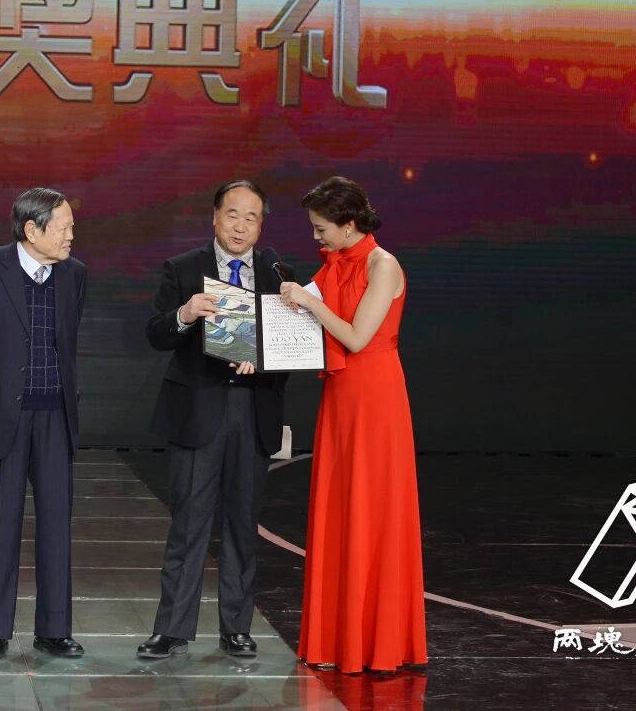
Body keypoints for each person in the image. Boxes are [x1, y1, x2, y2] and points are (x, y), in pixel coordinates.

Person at [280, 176, 427, 673]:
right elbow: (307, 324)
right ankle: (334, 640)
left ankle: (379, 644)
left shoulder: (383, 265)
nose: (315, 237)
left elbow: (358, 337)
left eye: (321, 228)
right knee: (340, 506)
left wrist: (309, 302)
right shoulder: (334, 263)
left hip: (376, 395)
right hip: (341, 395)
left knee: (374, 507)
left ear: (348, 224)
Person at [137, 180, 288, 660]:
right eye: (233, 215)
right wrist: (185, 314)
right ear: (215, 217)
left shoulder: (278, 272)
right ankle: (171, 629)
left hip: (253, 411)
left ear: (261, 225)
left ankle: (237, 627)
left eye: (252, 218)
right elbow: (156, 333)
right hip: (198, 411)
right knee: (189, 523)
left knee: (243, 523)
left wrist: (263, 359)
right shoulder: (183, 268)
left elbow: (294, 344)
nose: (241, 226)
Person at [0, 188, 87, 659]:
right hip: (0, 417)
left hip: (55, 417)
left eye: (71, 227)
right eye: (63, 228)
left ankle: (54, 629)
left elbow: (67, 341)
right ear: (31, 229)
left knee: (56, 524)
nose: (70, 236)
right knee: (0, 524)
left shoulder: (75, 275)